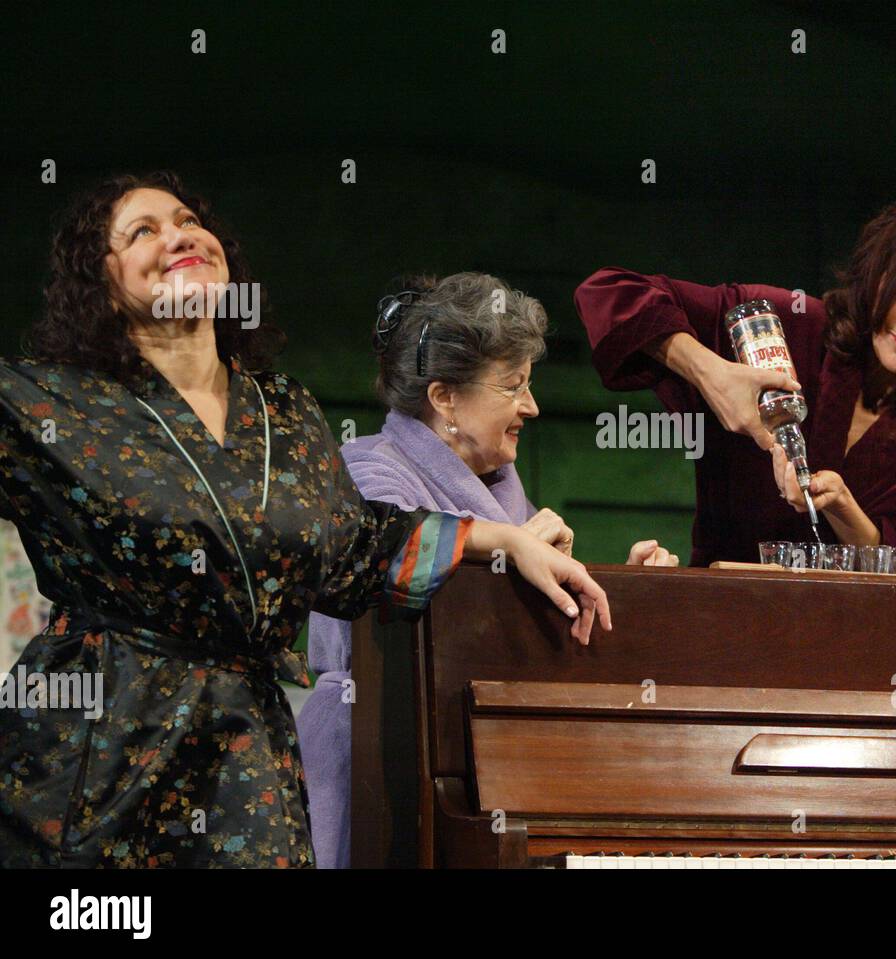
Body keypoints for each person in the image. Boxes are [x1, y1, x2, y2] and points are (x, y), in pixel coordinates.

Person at [0, 172, 610, 868]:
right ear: (99, 283)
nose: (178, 234)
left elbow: (354, 550)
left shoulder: (281, 411)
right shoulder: (50, 404)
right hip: (99, 754)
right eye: (143, 231)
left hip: (243, 762)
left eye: (187, 219)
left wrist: (504, 540)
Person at [301, 272, 676, 867]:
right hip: (381, 753)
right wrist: (518, 545)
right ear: (444, 396)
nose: (532, 405)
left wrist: (622, 585)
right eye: (513, 386)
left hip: (490, 756)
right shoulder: (367, 468)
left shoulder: (500, 487)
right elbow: (392, 563)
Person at [575, 194, 896, 574]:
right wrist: (709, 373)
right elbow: (609, 292)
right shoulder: (777, 326)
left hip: (863, 656)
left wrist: (846, 513)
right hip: (723, 627)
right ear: (877, 276)